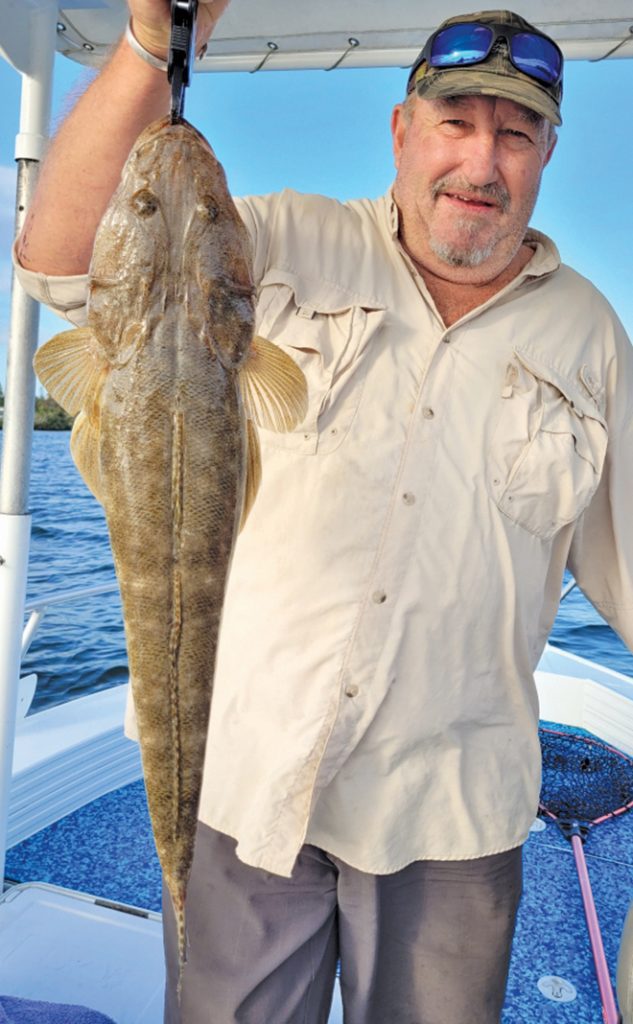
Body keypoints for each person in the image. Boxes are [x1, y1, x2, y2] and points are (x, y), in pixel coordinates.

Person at [14, 5, 633, 1023]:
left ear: (547, 154)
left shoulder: (590, 337)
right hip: (248, 776)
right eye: (454, 123)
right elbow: (61, 262)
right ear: (400, 132)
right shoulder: (280, 239)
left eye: (515, 134)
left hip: (449, 809)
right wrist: (149, 45)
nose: (480, 162)